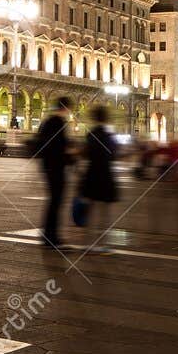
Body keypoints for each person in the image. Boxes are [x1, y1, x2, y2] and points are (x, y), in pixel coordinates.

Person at [31, 97, 73, 249]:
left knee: (54, 201)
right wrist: (70, 157)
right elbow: (60, 146)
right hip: (56, 167)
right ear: (65, 108)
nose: (69, 112)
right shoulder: (59, 122)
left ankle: (49, 235)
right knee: (56, 201)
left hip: (48, 166)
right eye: (69, 109)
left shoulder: (47, 122)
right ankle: (51, 237)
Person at [79, 106, 119, 250]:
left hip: (92, 175)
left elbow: (84, 153)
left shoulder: (90, 135)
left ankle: (87, 243)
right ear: (105, 118)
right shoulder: (108, 136)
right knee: (104, 212)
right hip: (105, 175)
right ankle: (103, 244)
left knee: (91, 210)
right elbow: (114, 154)